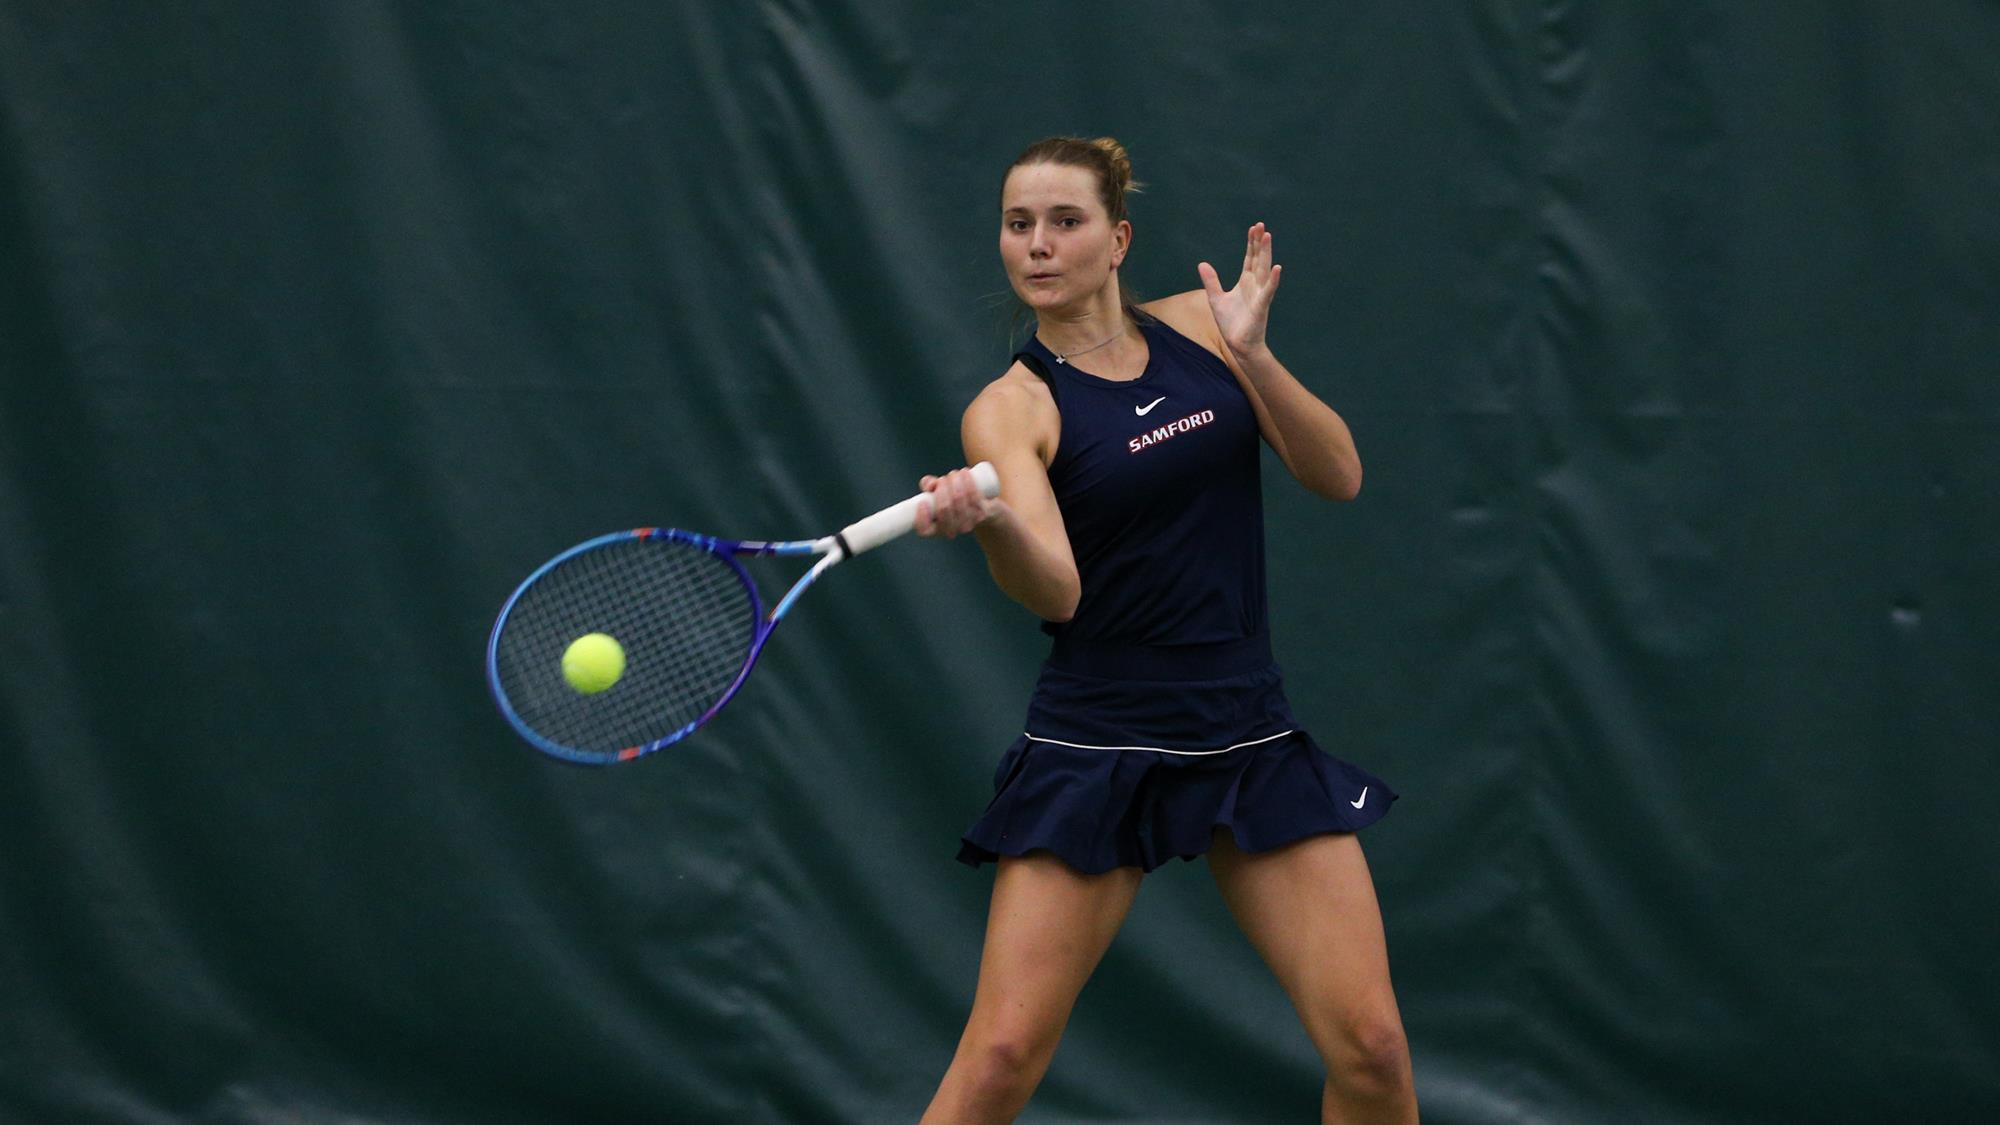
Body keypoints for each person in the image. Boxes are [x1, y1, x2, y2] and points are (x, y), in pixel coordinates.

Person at [911, 136, 1417, 1125]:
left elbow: (1337, 474)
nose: (1038, 246)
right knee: (1002, 1055)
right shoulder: (1009, 412)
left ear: (1117, 237)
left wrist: (1256, 356)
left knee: (1372, 1047)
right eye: (1018, 226)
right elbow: (1055, 591)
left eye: (1065, 222)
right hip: (1097, 741)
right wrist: (996, 524)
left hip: (1242, 727)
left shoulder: (1207, 328)